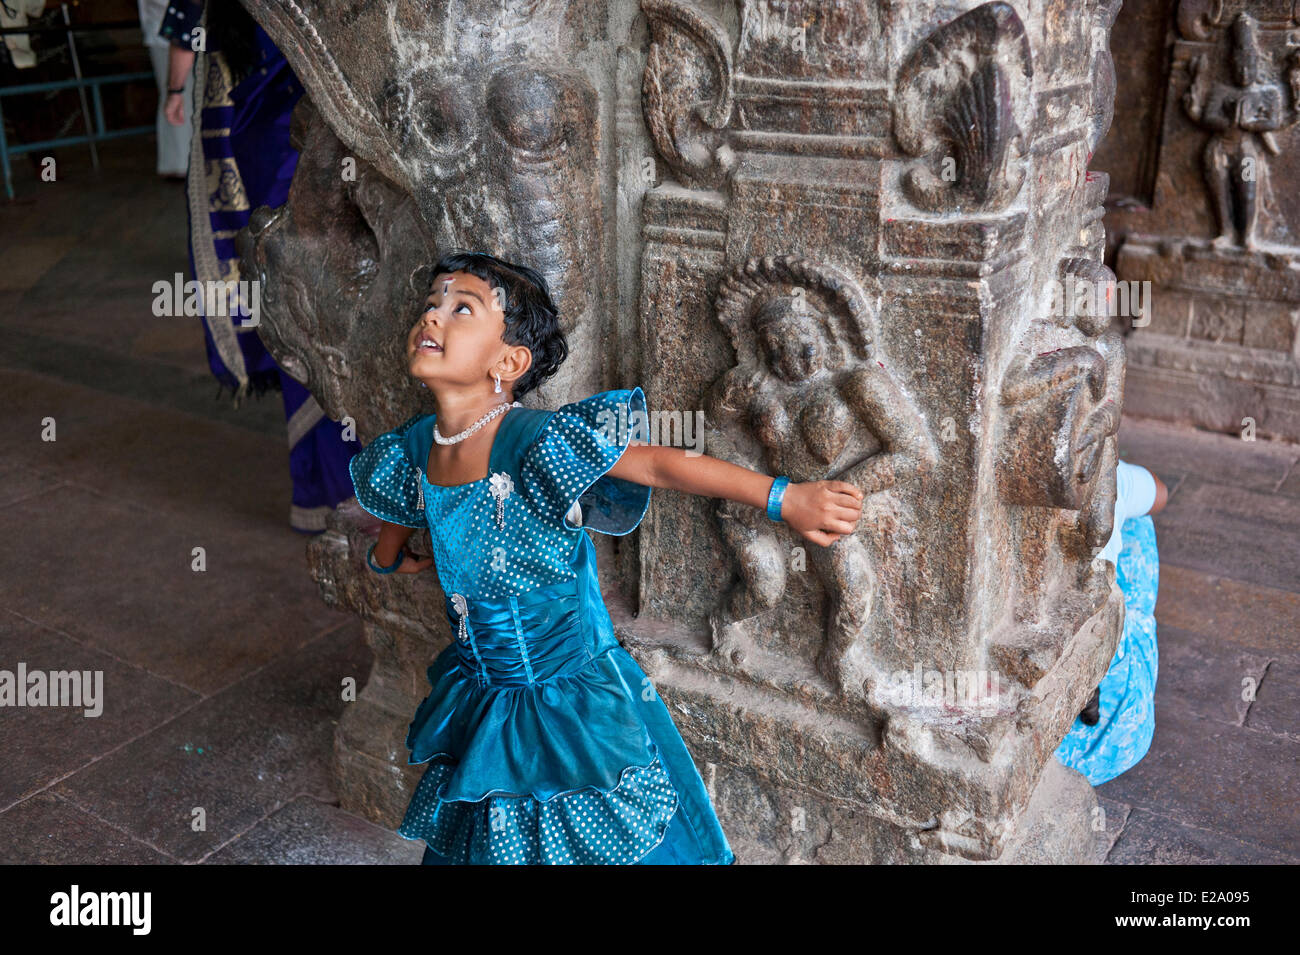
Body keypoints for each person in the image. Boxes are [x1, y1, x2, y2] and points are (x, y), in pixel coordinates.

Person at [350, 250, 865, 865]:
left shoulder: (533, 440)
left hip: (569, 699)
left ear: (509, 362)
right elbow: (399, 505)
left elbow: (657, 462)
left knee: (588, 831)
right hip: (485, 693)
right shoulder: (416, 443)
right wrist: (389, 557)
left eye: (462, 309)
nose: (432, 318)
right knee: (497, 824)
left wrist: (786, 498)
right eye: (431, 305)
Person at [159, 0, 357, 533]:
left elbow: (186, 37)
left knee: (298, 316)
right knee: (323, 317)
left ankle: (322, 496)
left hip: (261, 147)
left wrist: (175, 93)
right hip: (303, 143)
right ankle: (352, 501)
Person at [1055, 459, 1168, 786]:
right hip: (1108, 743)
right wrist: (1115, 467)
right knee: (1137, 520)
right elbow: (1160, 493)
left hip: (1008, 737)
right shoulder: (1097, 471)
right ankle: (1125, 636)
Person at [138, 0, 192, 178]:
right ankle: (179, 162)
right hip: (166, 30)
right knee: (176, 97)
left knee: (178, 97)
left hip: (178, 30)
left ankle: (181, 162)